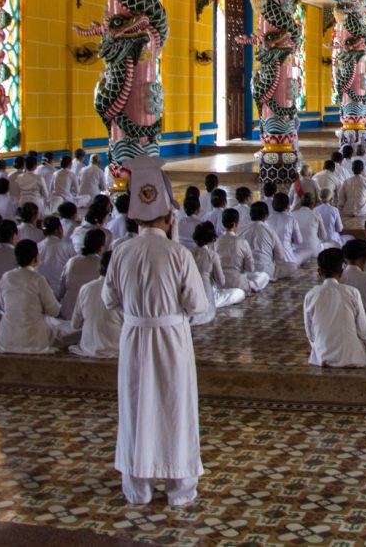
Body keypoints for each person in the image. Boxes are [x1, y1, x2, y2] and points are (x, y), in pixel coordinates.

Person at [102, 156, 214, 507]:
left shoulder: (121, 252)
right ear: (169, 217)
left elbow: (109, 299)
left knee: (137, 408)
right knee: (175, 407)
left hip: (135, 337)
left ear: (134, 217)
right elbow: (197, 304)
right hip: (171, 339)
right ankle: (180, 488)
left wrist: (137, 312)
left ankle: (138, 487)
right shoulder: (177, 253)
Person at [0, 239, 76, 354]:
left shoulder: (6, 277)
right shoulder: (37, 279)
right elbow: (54, 311)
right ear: (36, 258)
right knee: (72, 329)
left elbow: (4, 306)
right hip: (33, 338)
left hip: (7, 336)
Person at [303, 248, 366, 368]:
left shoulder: (311, 295)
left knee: (316, 343)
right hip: (351, 357)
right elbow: (363, 330)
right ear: (342, 272)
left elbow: (311, 334)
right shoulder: (352, 292)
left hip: (322, 356)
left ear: (319, 272)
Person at [69, 250, 122, 358]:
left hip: (89, 348)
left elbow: (75, 324)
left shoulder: (86, 288)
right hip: (118, 348)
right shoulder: (124, 290)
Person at [189, 223, 247, 310]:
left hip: (191, 296)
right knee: (239, 292)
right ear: (212, 238)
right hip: (209, 298)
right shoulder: (212, 255)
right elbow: (221, 282)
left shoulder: (188, 253)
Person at [217, 208, 268, 293]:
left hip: (220, 284)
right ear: (236, 224)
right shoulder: (242, 242)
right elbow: (250, 268)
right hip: (239, 284)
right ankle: (251, 286)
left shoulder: (216, 242)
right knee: (264, 275)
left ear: (223, 224)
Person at [62, 227, 107, 320]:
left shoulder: (72, 261)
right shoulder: (101, 265)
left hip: (68, 312)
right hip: (90, 314)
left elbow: (62, 288)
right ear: (102, 247)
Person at [240, 201, 294, 279]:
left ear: (250, 215)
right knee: (292, 266)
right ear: (266, 216)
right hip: (266, 272)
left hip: (245, 271)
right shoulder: (270, 231)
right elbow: (280, 257)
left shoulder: (241, 230)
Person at [37, 216, 76, 299]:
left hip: (39, 294)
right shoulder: (68, 247)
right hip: (60, 294)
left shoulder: (37, 247)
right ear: (59, 229)